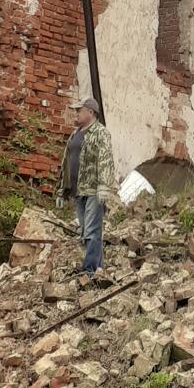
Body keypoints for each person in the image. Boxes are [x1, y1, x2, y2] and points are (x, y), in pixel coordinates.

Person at [61, 96, 115, 280]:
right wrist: (63, 189)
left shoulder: (101, 133)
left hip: (93, 190)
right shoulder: (75, 134)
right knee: (86, 231)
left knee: (91, 230)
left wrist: (104, 187)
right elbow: (66, 164)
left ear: (90, 112)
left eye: (79, 110)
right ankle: (98, 268)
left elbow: (106, 159)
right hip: (78, 191)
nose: (76, 113)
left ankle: (89, 269)